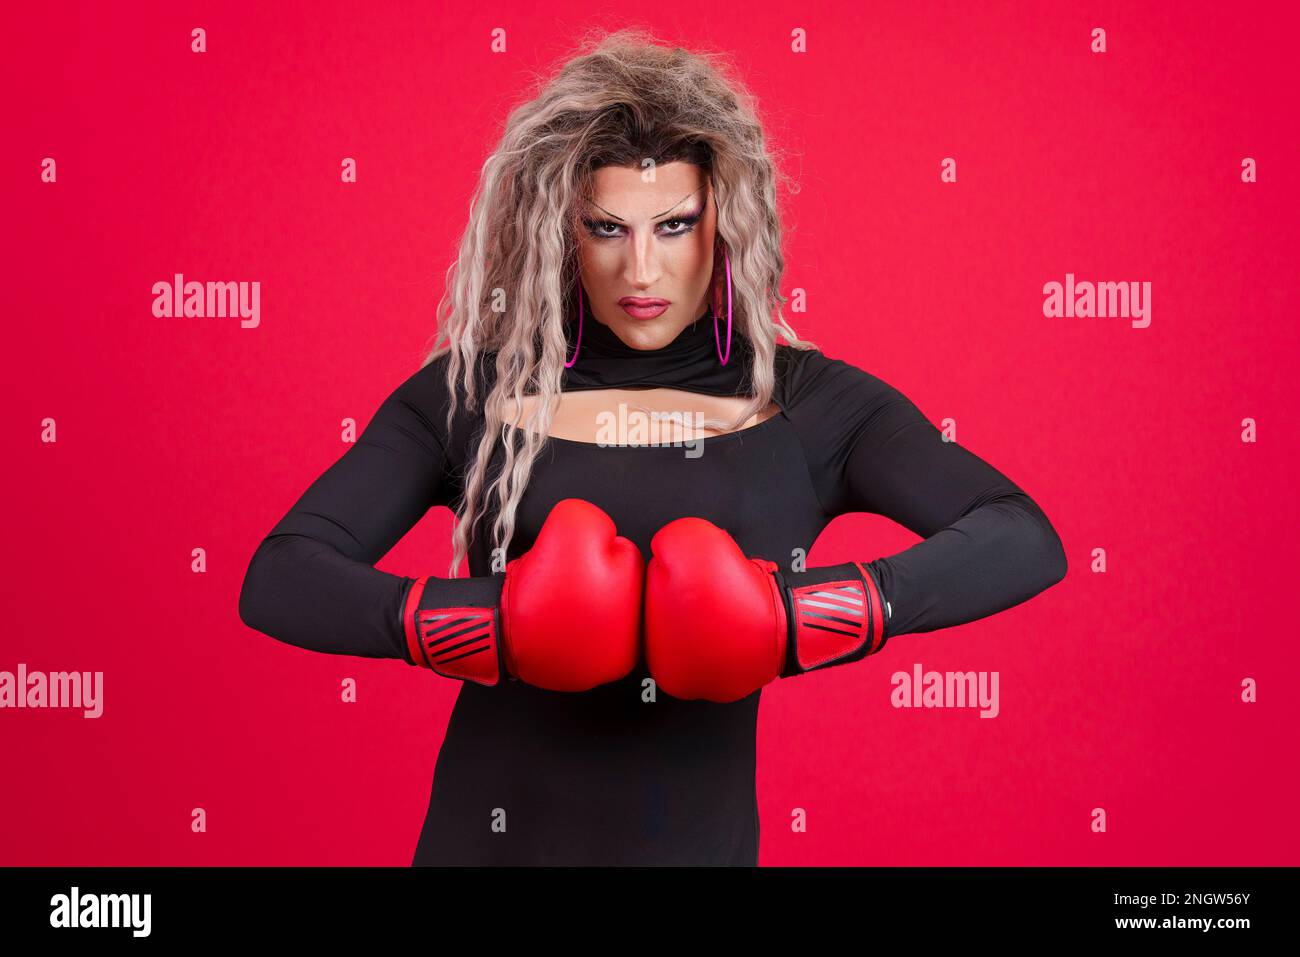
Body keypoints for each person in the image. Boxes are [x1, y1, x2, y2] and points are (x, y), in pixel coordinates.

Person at [237, 29, 1067, 866]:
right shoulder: (474, 393)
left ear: (725, 223)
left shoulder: (806, 405)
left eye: (674, 225)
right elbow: (280, 574)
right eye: (607, 227)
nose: (642, 269)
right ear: (563, 229)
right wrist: (474, 625)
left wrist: (799, 619)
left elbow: (1021, 534)